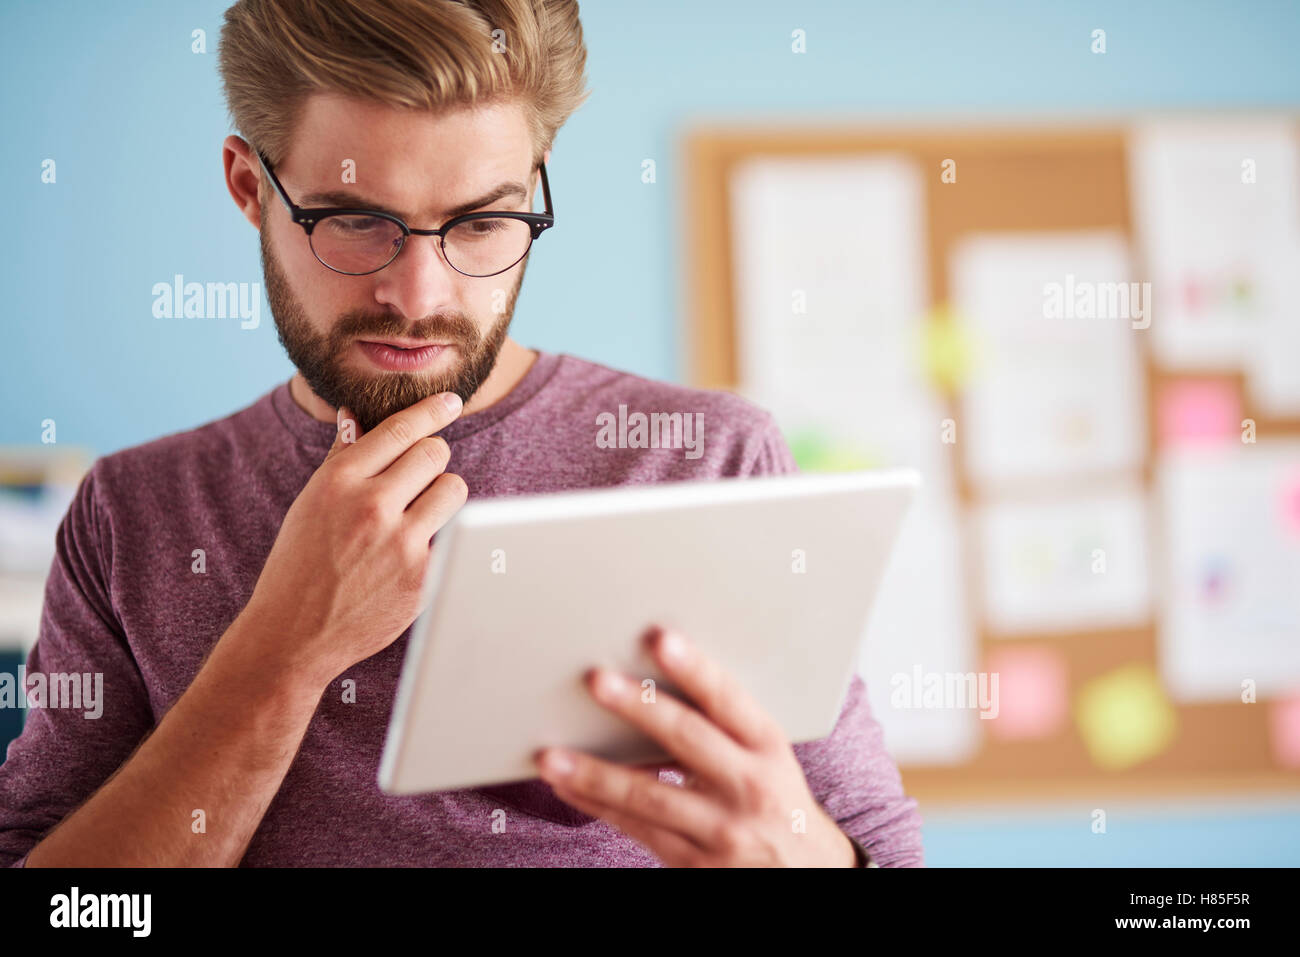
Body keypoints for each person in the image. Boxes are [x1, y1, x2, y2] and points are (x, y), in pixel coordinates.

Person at [0, 0, 922, 867]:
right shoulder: (133, 513)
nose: (421, 297)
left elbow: (877, 847)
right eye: (356, 220)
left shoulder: (705, 461)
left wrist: (802, 852)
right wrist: (281, 652)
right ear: (250, 186)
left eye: (481, 222)